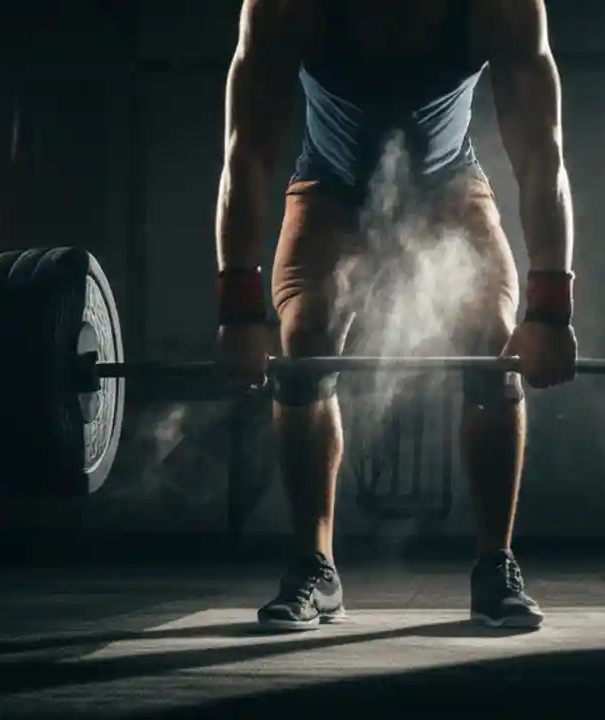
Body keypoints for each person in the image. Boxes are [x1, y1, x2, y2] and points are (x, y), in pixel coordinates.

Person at [214, 0, 576, 630]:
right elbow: (246, 154)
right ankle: (314, 567)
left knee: (495, 342)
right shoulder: (284, 8)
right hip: (330, 189)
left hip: (450, 187)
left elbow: (542, 153)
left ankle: (497, 564)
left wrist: (550, 310)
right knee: (303, 344)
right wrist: (240, 311)